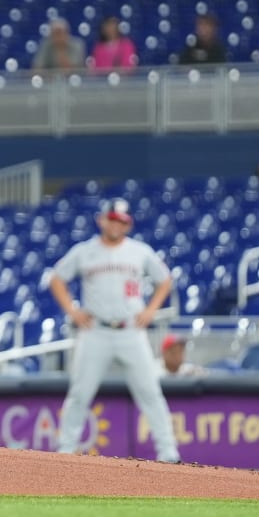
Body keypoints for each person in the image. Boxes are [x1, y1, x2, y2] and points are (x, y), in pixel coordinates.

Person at [48, 198, 181, 463]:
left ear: (128, 224)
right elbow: (56, 279)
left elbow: (165, 280)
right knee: (80, 392)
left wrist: (151, 309)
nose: (116, 224)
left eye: (121, 220)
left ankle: (168, 453)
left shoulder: (139, 251)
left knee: (150, 392)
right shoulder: (84, 251)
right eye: (112, 219)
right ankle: (65, 449)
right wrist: (73, 311)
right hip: (95, 330)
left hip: (131, 330)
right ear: (101, 220)